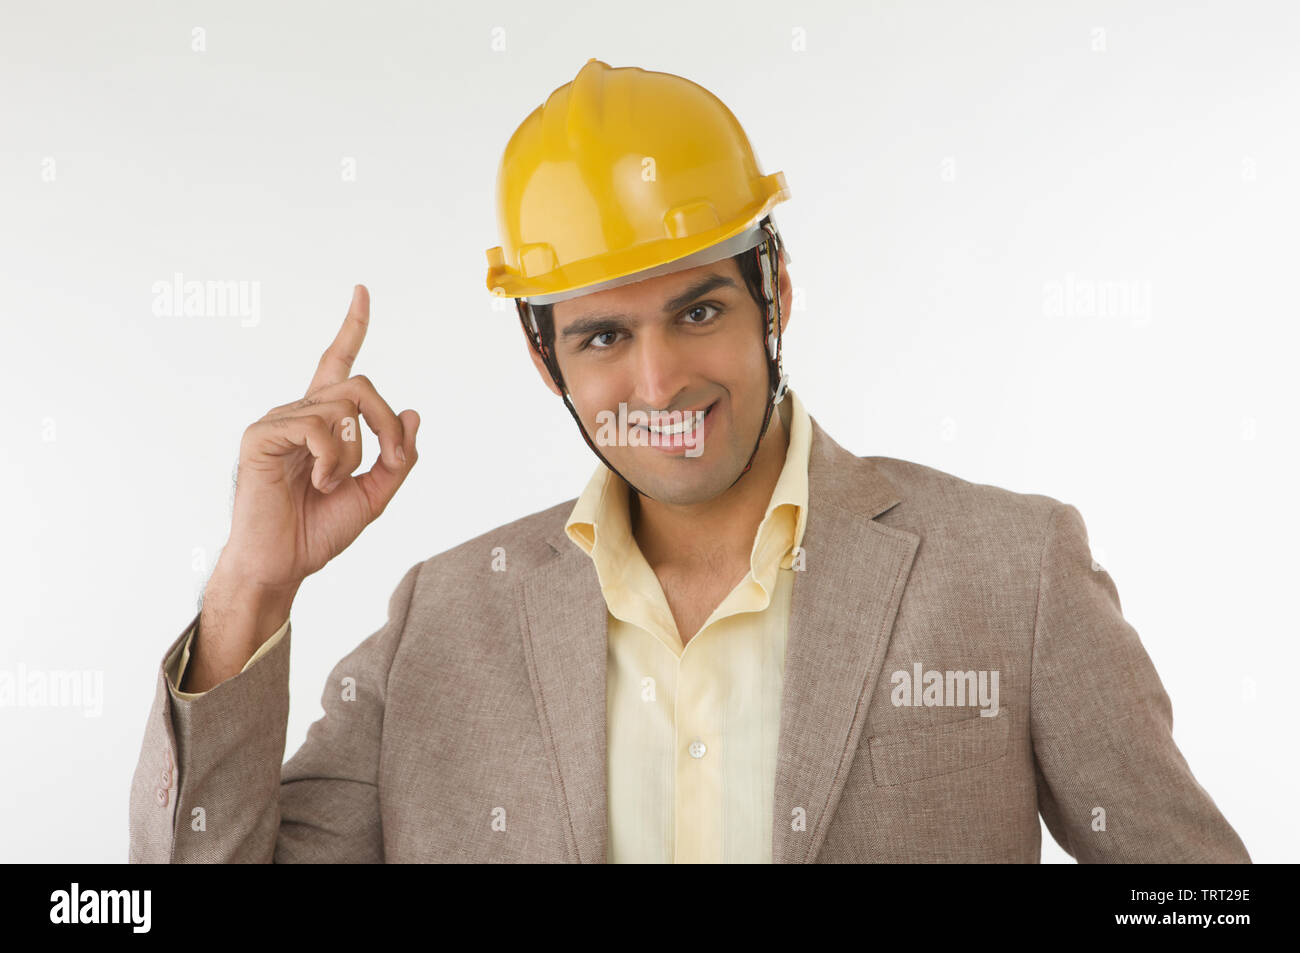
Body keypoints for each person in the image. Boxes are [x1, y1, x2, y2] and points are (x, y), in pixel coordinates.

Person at [130, 59, 1249, 863]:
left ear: (777, 297)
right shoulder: (444, 621)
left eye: (699, 307)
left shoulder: (1012, 569)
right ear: (546, 361)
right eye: (604, 336)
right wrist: (251, 586)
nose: (660, 383)